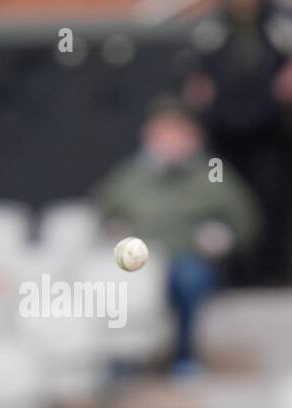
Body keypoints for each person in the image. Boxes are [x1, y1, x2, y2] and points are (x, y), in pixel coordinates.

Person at [93, 97, 261, 373]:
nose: (169, 142)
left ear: (192, 136)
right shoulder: (130, 175)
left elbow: (246, 219)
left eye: (177, 133)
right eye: (163, 133)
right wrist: (112, 229)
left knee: (190, 277)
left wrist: (224, 236)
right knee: (117, 281)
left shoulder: (212, 175)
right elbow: (101, 211)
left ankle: (184, 355)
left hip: (187, 257)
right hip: (140, 262)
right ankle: (122, 359)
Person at [184, 0, 292, 281]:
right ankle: (234, 273)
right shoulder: (213, 25)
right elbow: (189, 65)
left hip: (271, 132)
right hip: (224, 133)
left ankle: (275, 273)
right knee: (226, 198)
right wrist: (201, 94)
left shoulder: (281, 22)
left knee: (273, 199)